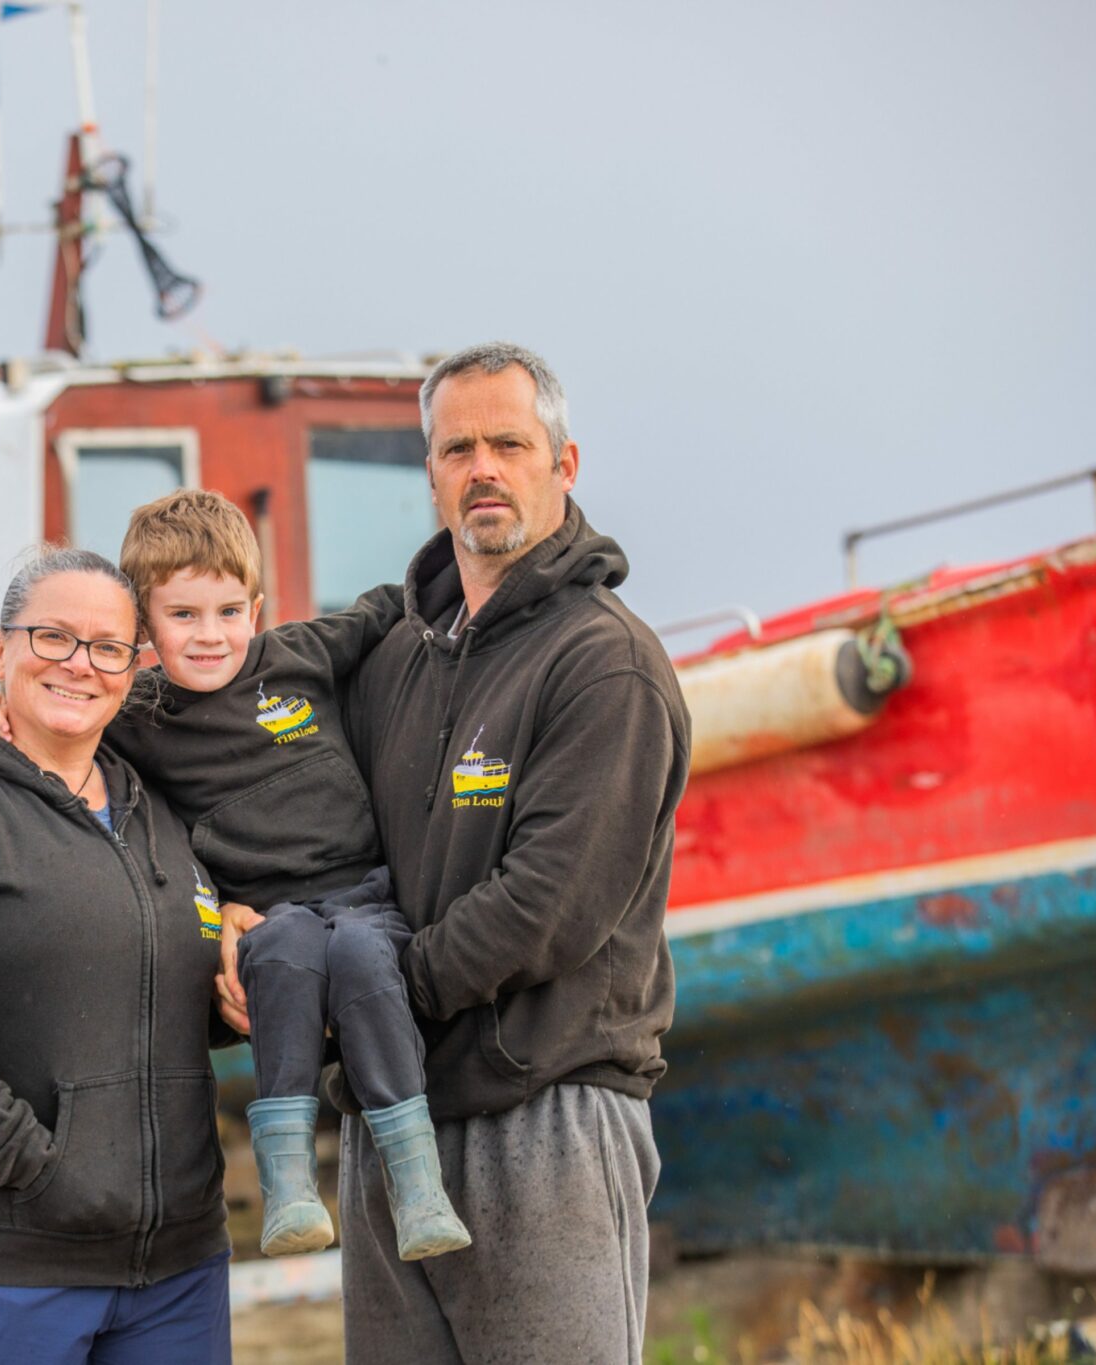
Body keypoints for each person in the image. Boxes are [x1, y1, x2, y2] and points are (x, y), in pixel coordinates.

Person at [230, 342, 690, 1363]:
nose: (483, 467)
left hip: (544, 1121)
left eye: (509, 444)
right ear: (430, 472)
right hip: (390, 1126)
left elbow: (544, 908)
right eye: (457, 448)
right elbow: (258, 781)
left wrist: (354, 996)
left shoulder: (602, 665)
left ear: (562, 465)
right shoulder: (391, 659)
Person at [0, 490, 471, 1263]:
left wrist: (459, 552)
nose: (210, 635)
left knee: (368, 961)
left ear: (256, 608)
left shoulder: (299, 653)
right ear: (141, 629)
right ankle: (291, 1183)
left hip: (363, 895)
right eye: (184, 615)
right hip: (268, 913)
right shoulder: (138, 714)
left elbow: (382, 609)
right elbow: (58, 701)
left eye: (230, 611)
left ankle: (420, 1184)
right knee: (283, 964)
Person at [0, 545, 236, 1365]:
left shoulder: (162, 817)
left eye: (105, 647)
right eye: (52, 637)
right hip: (1, 1268)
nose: (78, 665)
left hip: (176, 1273)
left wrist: (236, 993)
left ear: (131, 671)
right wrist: (40, 1171)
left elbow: (148, 995)